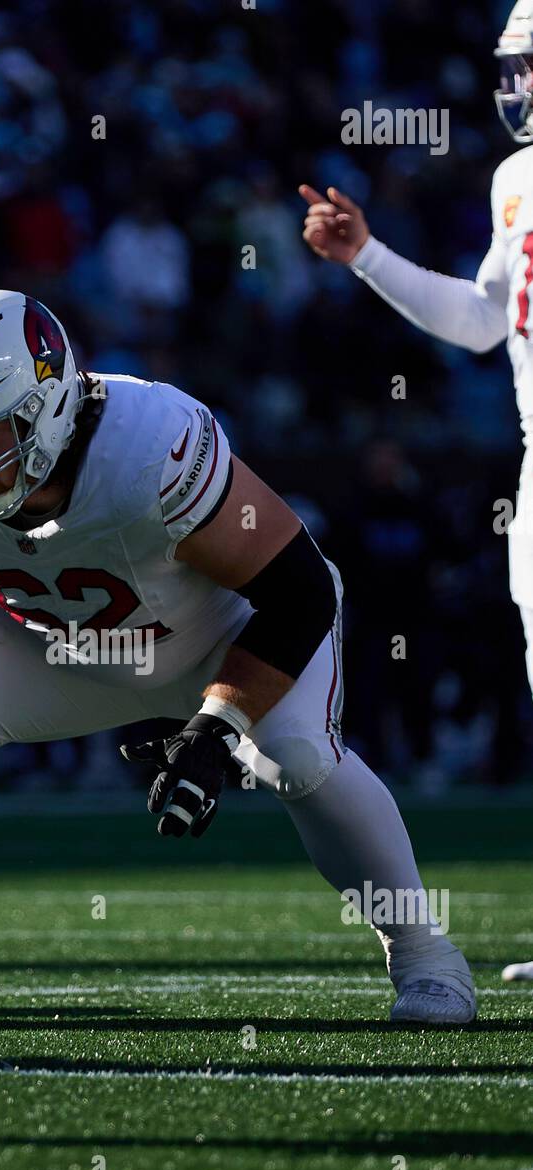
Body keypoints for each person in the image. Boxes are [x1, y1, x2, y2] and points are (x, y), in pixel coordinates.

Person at [0, 288, 476, 1028]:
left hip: (224, 636)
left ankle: (426, 956)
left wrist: (218, 729)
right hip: (71, 646)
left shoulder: (149, 445)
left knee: (293, 756)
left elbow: (299, 594)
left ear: (49, 407)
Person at [299, 1, 533, 985]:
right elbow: (484, 323)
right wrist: (367, 257)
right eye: (509, 66)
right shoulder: (514, 178)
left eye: (528, 65)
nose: (513, 85)